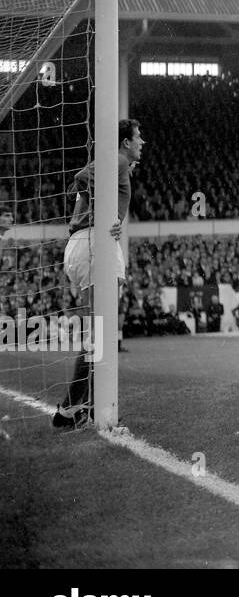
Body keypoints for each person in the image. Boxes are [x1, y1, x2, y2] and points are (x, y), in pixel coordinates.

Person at [55, 118, 144, 429]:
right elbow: (80, 178)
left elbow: (80, 193)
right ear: (125, 142)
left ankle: (79, 409)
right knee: (100, 334)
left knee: (100, 333)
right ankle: (76, 410)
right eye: (138, 137)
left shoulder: (114, 168)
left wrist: (94, 216)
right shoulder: (118, 160)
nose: (141, 142)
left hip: (86, 244)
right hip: (95, 245)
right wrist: (102, 217)